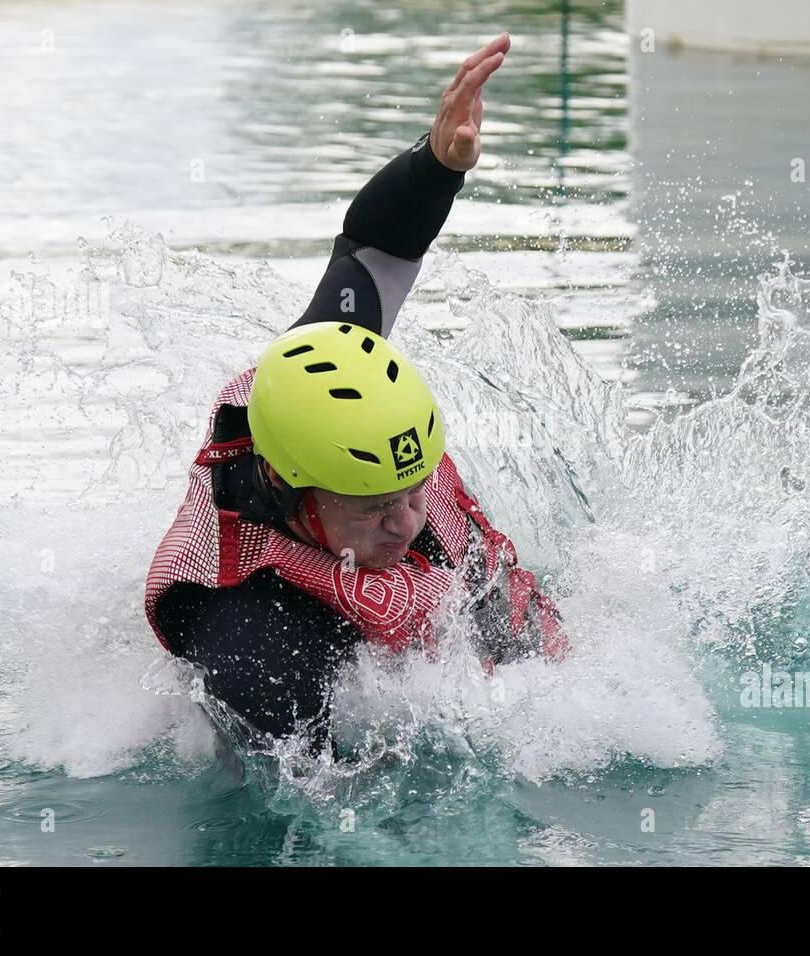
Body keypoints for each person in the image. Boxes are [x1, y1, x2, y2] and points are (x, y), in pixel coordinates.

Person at [144, 33, 567, 743]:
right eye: (375, 508)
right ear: (289, 484)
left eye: (411, 491)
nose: (405, 521)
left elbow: (377, 248)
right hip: (301, 614)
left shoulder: (322, 366)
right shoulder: (252, 639)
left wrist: (437, 164)